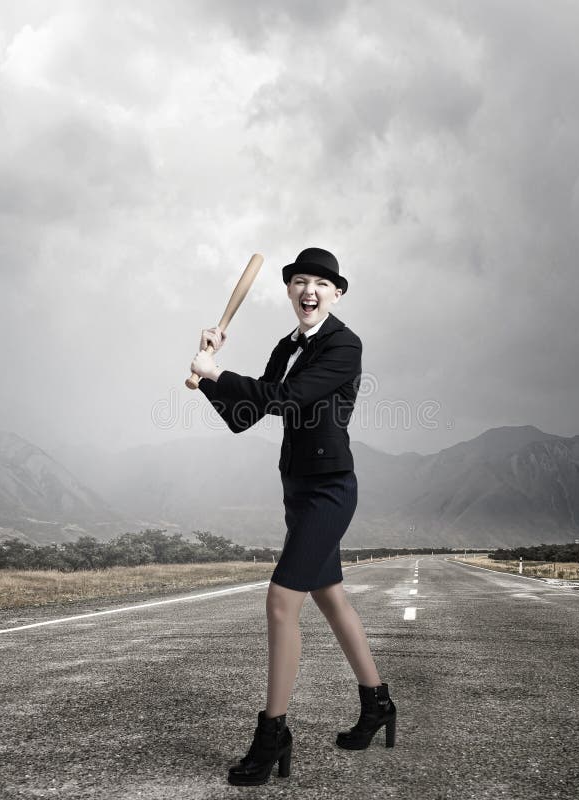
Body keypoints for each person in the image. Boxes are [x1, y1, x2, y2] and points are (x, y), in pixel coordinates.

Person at [190, 247, 397, 787]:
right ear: (289, 291)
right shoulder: (287, 346)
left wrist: (217, 372)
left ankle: (273, 734)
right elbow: (247, 414)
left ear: (337, 294)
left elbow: (287, 398)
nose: (310, 291)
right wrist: (208, 377)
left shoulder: (344, 345)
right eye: (300, 281)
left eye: (321, 283)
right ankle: (377, 704)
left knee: (282, 601)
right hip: (298, 488)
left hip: (331, 489)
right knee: (330, 597)